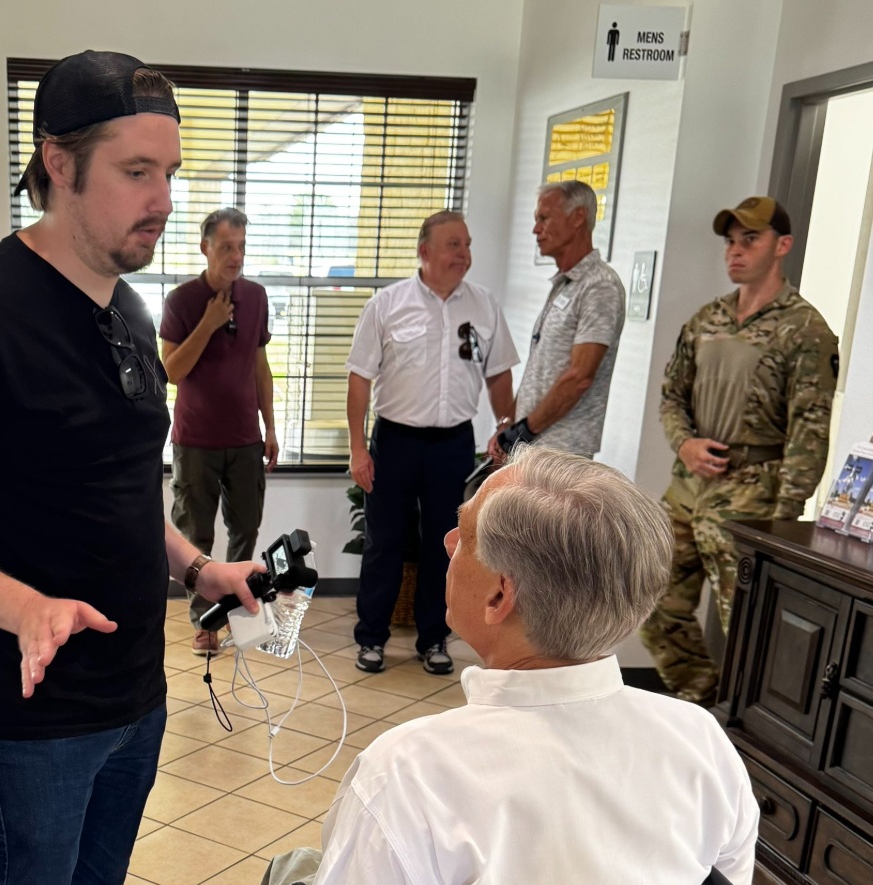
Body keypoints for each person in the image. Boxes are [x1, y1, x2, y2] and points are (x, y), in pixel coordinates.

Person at [0, 50, 261, 885]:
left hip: (135, 692)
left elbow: (121, 488)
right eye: (135, 172)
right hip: (29, 713)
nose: (161, 198)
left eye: (169, 173)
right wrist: (26, 608)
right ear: (57, 161)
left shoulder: (126, 308)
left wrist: (199, 565)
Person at [256, 446, 758, 885]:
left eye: (466, 535)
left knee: (290, 873)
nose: (448, 541)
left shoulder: (409, 776)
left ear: (500, 596)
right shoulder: (703, 748)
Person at [640, 196, 838, 705]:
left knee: (749, 624)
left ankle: (749, 727)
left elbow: (809, 433)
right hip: (687, 491)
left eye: (750, 239)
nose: (735, 251)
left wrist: (783, 520)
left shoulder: (805, 329)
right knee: (648, 603)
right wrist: (683, 443)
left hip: (753, 499)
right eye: (730, 241)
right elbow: (671, 395)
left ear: (782, 246)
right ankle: (704, 700)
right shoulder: (707, 319)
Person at [346, 210, 518, 676]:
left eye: (466, 245)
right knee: (384, 541)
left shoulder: (483, 306)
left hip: (452, 445)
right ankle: (372, 639)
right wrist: (358, 449)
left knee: (445, 543)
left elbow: (499, 373)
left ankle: (434, 638)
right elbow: (360, 379)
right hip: (395, 440)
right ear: (424, 252)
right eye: (453, 245)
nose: (464, 254)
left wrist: (505, 424)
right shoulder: (387, 304)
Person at [159, 207, 278, 655]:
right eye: (227, 246)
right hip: (195, 442)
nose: (236, 256)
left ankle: (239, 611)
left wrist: (269, 425)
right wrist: (207, 324)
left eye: (242, 247)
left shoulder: (257, 296)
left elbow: (260, 366)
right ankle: (204, 623)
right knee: (196, 536)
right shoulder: (182, 301)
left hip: (245, 438)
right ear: (205, 246)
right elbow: (171, 371)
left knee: (246, 528)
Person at [494, 180, 625, 459]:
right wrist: (509, 425)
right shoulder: (565, 284)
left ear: (578, 217)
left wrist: (523, 431)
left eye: (544, 218)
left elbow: (579, 377)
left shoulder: (600, 286)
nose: (535, 229)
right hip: (533, 447)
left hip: (561, 454)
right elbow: (538, 371)